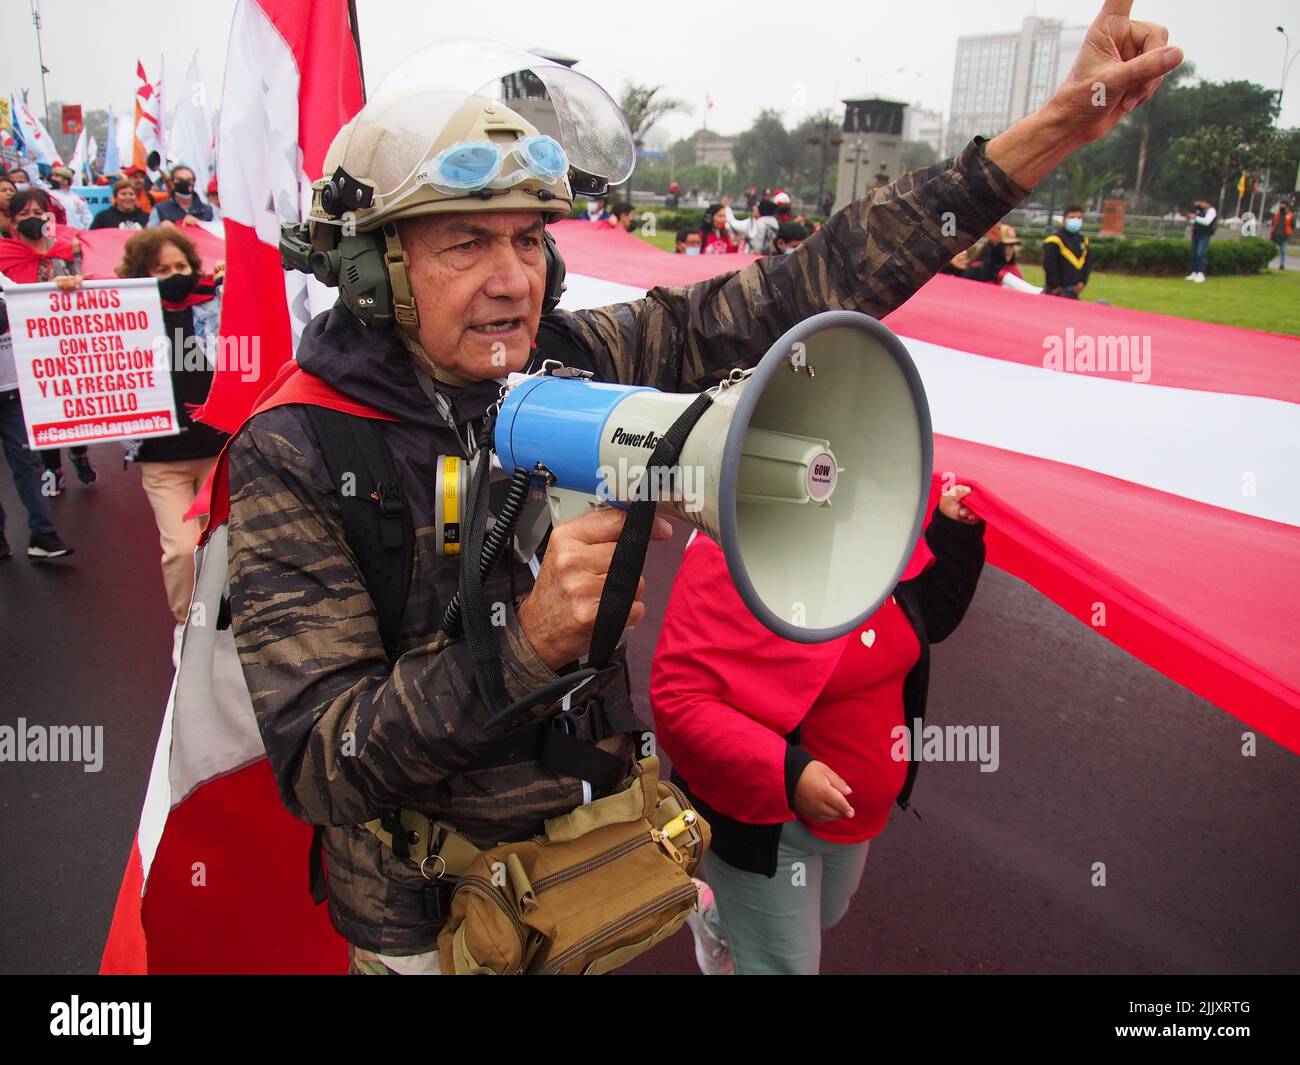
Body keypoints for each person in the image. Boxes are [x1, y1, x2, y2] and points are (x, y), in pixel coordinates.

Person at [222, 8, 1182, 974]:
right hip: (432, 933)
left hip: (592, 879)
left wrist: (1053, 128)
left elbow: (797, 287)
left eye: (528, 241)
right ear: (375, 268)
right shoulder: (298, 448)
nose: (514, 279)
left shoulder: (572, 358)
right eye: (466, 243)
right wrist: (525, 647)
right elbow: (318, 762)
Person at [652, 486, 985, 974]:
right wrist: (786, 774)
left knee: (826, 914)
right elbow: (681, 699)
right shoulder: (734, 552)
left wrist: (954, 532)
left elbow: (923, 620)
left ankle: (717, 920)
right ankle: (739, 927)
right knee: (784, 962)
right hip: (764, 824)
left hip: (851, 822)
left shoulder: (875, 536)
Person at [115, 228, 228, 656]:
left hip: (218, 451)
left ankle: (226, 622)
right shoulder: (124, 313)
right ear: (141, 274)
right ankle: (188, 625)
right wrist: (71, 292)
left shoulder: (214, 304)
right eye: (161, 270)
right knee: (182, 550)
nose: (175, 276)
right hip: (162, 459)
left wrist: (235, 280)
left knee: (221, 545)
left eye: (181, 267)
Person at [0, 188, 98, 489]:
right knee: (44, 410)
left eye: (37, 213)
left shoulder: (67, 248)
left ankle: (79, 452)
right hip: (27, 346)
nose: (32, 219)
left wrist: (75, 280)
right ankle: (51, 469)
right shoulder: (5, 254)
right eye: (24, 214)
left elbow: (88, 280)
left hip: (67, 339)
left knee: (75, 402)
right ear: (12, 222)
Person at [0, 273, 75, 560]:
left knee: (29, 463)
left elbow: (34, 299)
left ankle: (42, 533)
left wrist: (63, 285)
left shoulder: (4, 278)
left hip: (12, 392)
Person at [1042, 205, 1091, 298]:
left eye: (1079, 218)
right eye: (1072, 217)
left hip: (1075, 289)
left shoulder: (1083, 241)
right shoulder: (1054, 240)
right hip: (1056, 290)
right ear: (1064, 220)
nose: (1076, 220)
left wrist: (1083, 282)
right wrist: (1055, 286)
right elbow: (1049, 265)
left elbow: (1087, 264)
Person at [147, 164, 215, 227]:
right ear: (172, 182)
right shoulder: (160, 209)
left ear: (194, 182)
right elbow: (147, 236)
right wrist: (162, 230)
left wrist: (200, 224)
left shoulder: (208, 210)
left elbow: (218, 234)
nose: (184, 183)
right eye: (179, 180)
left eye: (189, 180)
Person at [1185, 198, 1216, 282]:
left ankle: (1201, 273)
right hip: (1196, 234)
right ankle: (1195, 272)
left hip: (1204, 235)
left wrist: (1195, 217)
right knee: (1194, 253)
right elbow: (1193, 221)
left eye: (1202, 202)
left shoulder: (1211, 211)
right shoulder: (1199, 211)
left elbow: (1206, 222)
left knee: (1200, 253)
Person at [1269, 199, 1293, 270]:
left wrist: (1288, 232)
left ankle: (1282, 265)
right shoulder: (1276, 215)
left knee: (1283, 251)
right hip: (1275, 236)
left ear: (1287, 206)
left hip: (1285, 237)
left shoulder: (1290, 215)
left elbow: (1293, 225)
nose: (1281, 206)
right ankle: (1266, 263)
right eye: (1280, 205)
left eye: (1283, 205)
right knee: (1271, 250)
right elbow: (1273, 224)